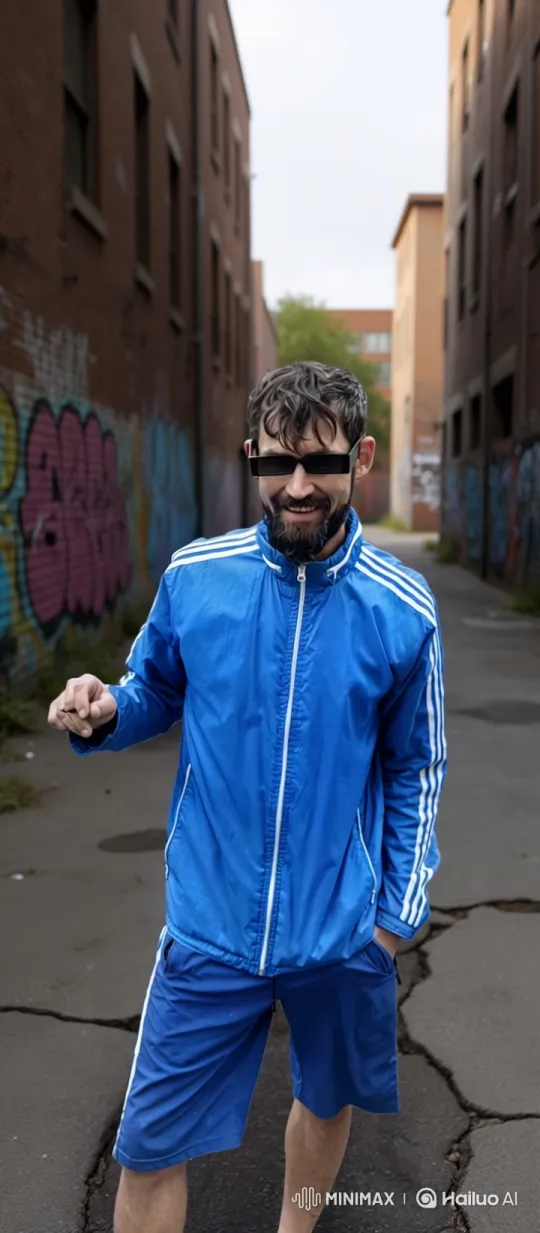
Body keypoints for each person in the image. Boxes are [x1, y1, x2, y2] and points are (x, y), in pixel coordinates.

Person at [48, 362, 447, 1233]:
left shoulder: (402, 607)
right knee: (148, 1145)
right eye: (277, 464)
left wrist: (389, 923)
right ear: (251, 458)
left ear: (362, 458)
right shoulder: (197, 576)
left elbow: (417, 766)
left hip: (342, 928)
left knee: (325, 1094)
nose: (296, 486)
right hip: (209, 925)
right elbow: (151, 688)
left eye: (319, 462)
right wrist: (106, 709)